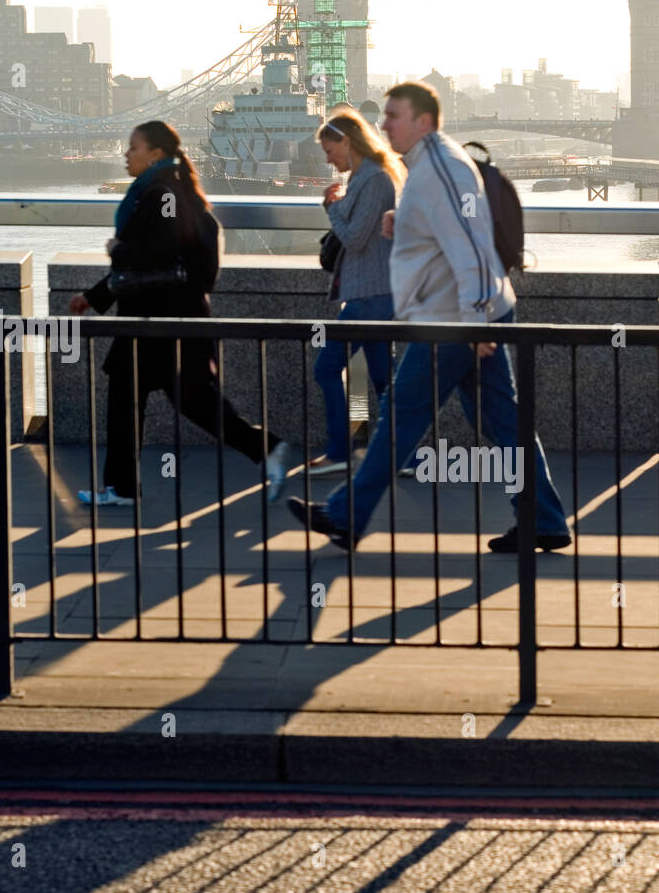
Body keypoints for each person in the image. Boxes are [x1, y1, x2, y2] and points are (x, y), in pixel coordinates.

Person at [287, 80, 571, 553]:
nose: (382, 124)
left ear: (423, 121)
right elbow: (451, 233)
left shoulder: (439, 168)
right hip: (467, 313)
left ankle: (345, 515)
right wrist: (407, 223)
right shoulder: (430, 164)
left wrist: (475, 322)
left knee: (399, 416)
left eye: (393, 115)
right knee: (503, 421)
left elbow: (473, 248)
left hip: (454, 319)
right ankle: (544, 520)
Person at [70, 120, 292, 506]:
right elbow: (158, 260)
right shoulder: (173, 189)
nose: (127, 153)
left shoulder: (162, 193)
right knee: (152, 398)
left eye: (133, 147)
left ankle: (265, 447)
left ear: (155, 153)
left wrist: (116, 249)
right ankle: (122, 488)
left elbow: (155, 254)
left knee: (184, 401)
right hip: (167, 315)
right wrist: (95, 295)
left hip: (160, 319)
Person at [307, 108, 405, 481]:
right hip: (374, 292)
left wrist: (332, 209)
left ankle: (340, 451)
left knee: (328, 368)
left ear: (348, 141)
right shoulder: (365, 178)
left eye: (331, 151)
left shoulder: (375, 180)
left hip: (371, 295)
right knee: (383, 378)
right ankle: (405, 455)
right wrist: (336, 204)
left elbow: (355, 239)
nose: (329, 160)